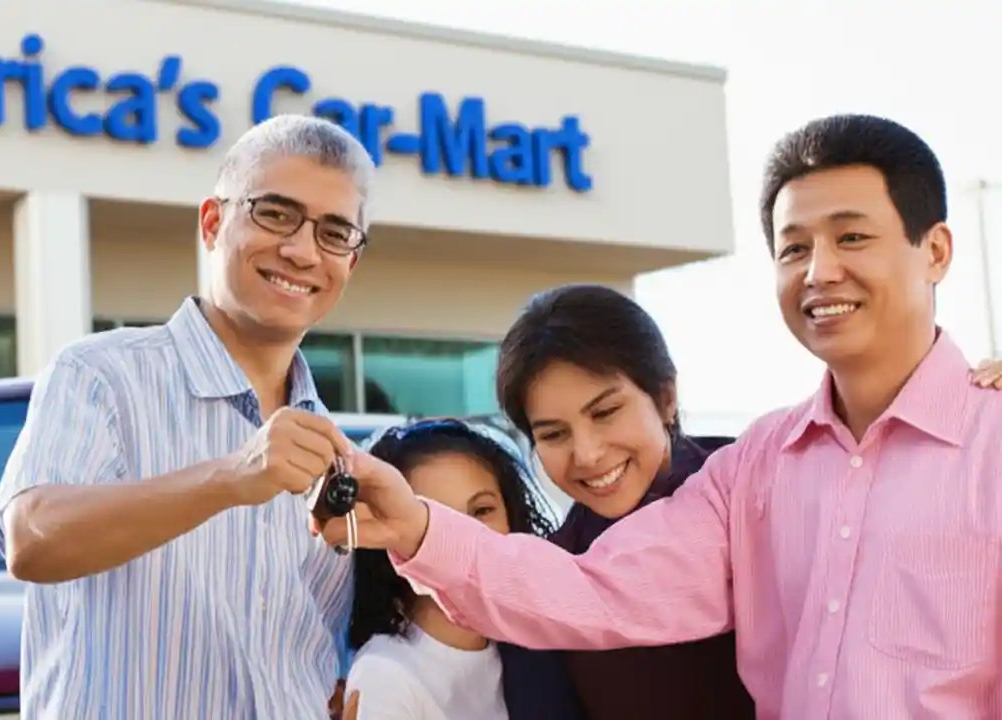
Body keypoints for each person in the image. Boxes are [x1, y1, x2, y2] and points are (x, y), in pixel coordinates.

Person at [323, 113, 1002, 719]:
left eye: (852, 237)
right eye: (794, 248)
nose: (820, 271)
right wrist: (414, 527)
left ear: (936, 250)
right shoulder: (757, 468)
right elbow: (596, 589)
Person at [0, 114, 375, 719]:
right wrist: (227, 478)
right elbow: (31, 539)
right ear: (213, 223)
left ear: (351, 262)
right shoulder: (101, 375)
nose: (302, 251)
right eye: (276, 213)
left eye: (334, 232)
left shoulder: (337, 448)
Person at [492, 283, 756, 719]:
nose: (588, 454)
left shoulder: (763, 485)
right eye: (554, 434)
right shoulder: (546, 579)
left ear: (666, 397)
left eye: (605, 412)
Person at [341, 418, 560, 719]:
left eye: (482, 511)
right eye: (433, 519)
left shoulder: (534, 650)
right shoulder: (386, 674)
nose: (466, 537)